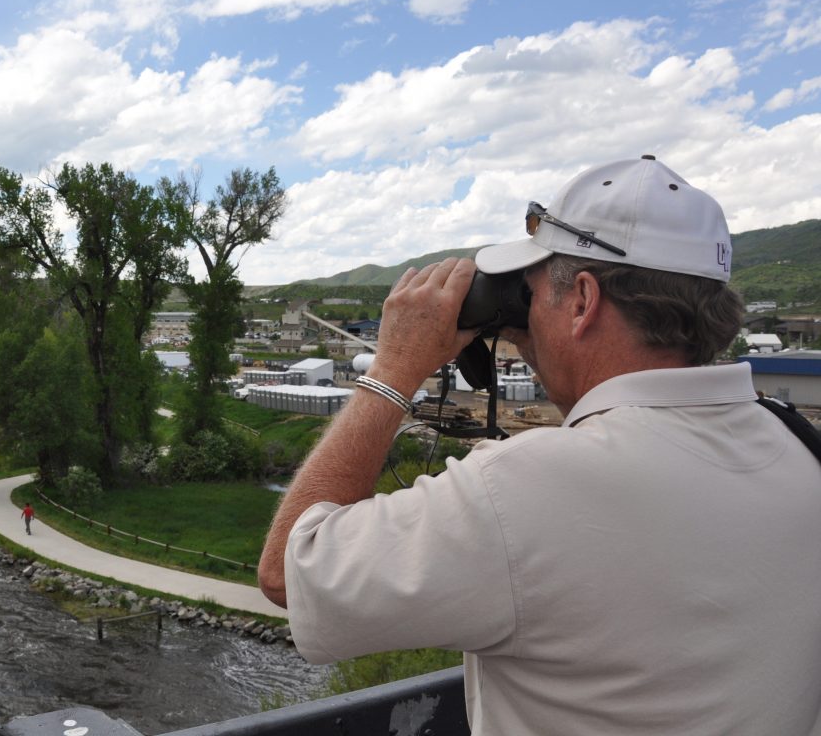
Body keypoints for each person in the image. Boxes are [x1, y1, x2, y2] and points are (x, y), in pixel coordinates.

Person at [258, 156, 821, 735]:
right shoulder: (798, 446)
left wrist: (395, 366)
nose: (525, 319)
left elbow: (286, 573)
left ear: (581, 300)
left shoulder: (524, 488)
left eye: (531, 294)